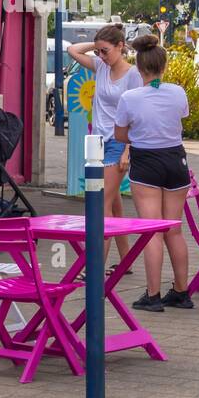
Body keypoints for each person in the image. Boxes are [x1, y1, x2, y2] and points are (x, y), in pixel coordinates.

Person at [114, 34, 192, 312]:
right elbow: (180, 116)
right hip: (176, 159)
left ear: (139, 68)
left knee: (152, 231)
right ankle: (182, 292)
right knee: (174, 228)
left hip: (146, 160)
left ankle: (153, 294)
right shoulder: (178, 92)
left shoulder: (130, 97)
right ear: (164, 66)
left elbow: (121, 135)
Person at [67, 25, 141, 266]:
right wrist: (96, 44)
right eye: (98, 52)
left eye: (105, 51)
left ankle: (94, 267)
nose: (101, 56)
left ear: (121, 46)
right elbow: (72, 49)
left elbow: (136, 115)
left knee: (99, 205)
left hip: (118, 144)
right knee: (113, 202)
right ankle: (125, 260)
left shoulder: (133, 75)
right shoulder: (100, 66)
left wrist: (128, 150)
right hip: (97, 143)